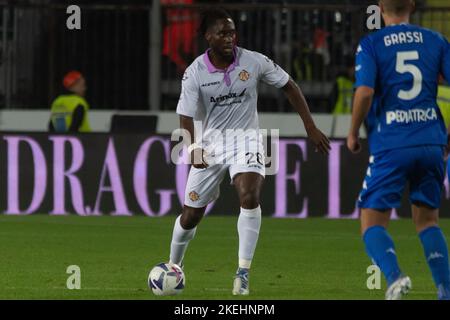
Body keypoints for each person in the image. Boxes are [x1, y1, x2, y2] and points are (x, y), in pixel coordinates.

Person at [167, 8, 330, 295]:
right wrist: (192, 147)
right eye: (222, 33)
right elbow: (185, 115)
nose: (230, 38)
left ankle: (242, 273)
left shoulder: (253, 61)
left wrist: (310, 126)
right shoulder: (195, 72)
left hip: (248, 140)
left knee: (250, 194)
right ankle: (174, 266)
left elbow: (289, 86)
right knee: (191, 214)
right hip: (211, 145)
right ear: (208, 37)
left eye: (232, 32)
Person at [347, 0, 450, 300]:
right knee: (428, 221)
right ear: (413, 6)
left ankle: (395, 277)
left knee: (371, 221)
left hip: (392, 142)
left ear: (380, 8)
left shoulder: (372, 43)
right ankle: (444, 290)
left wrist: (353, 132)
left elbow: (365, 92)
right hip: (431, 140)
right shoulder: (436, 40)